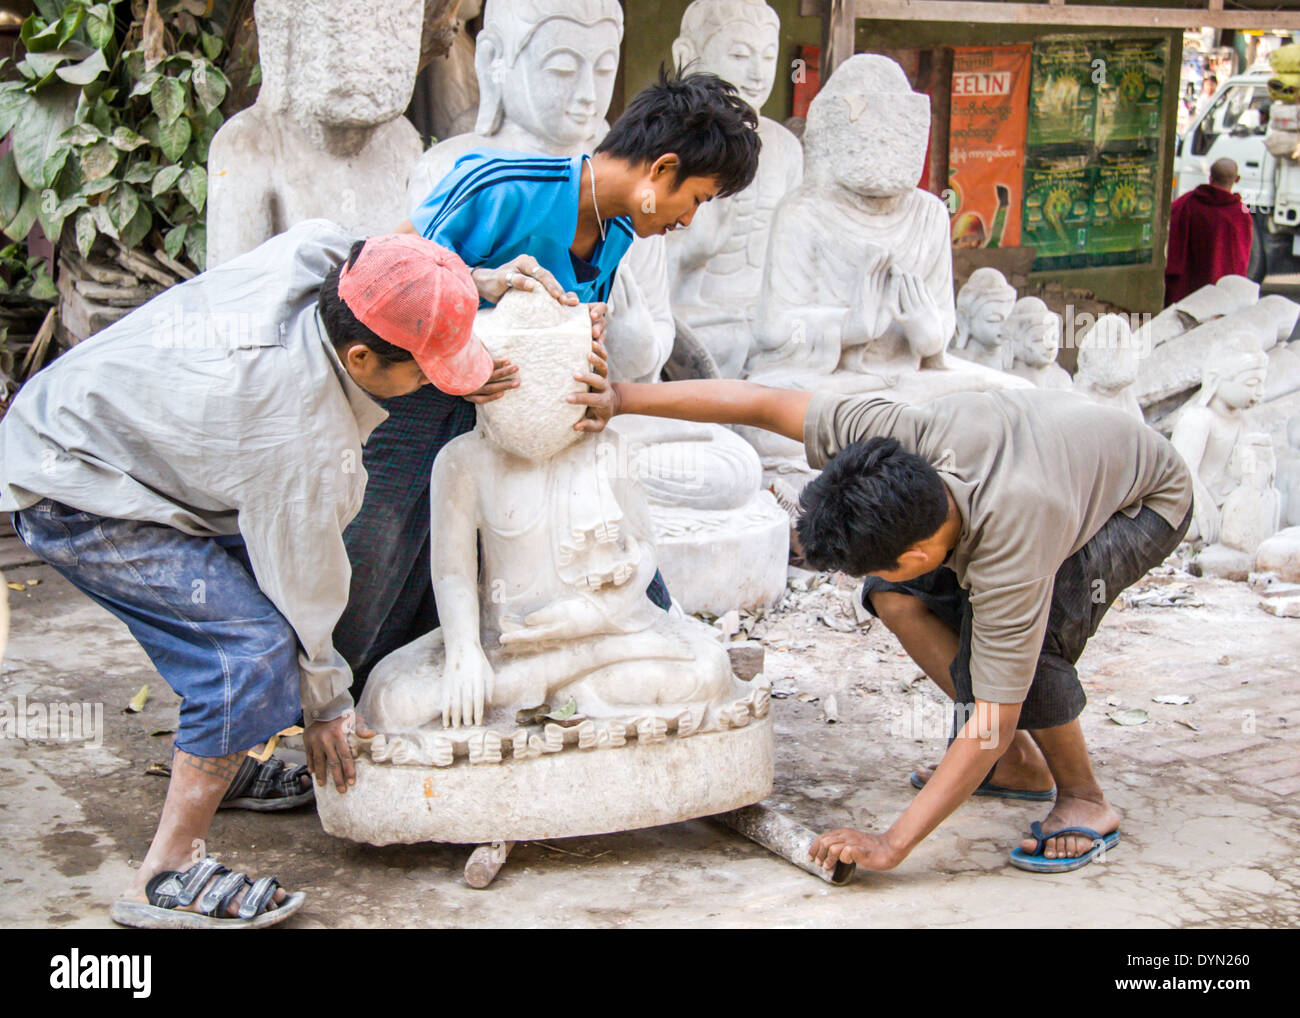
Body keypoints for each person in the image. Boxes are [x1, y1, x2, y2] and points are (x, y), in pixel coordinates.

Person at [0, 223, 562, 928]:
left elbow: (376, 256)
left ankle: (225, 764)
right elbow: (307, 589)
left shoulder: (327, 262)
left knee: (252, 625)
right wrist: (326, 703)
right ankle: (165, 872)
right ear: (360, 356)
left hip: (107, 425)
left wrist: (457, 290)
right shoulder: (298, 435)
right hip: (73, 487)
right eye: (422, 368)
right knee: (251, 650)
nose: (428, 382)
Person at [580, 377, 1193, 875]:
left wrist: (891, 844)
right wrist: (625, 398)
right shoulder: (897, 440)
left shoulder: (1014, 543)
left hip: (1142, 501)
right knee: (894, 598)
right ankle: (1016, 766)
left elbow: (993, 715)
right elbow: (763, 404)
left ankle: (1086, 797)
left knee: (1034, 653)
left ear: (922, 552)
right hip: (1050, 455)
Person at [332, 68, 761, 683]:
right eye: (695, 198)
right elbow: (381, 284)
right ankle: (324, 715)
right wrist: (461, 355)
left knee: (615, 559)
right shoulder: (500, 187)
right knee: (382, 551)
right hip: (422, 397)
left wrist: (593, 379)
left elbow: (579, 341)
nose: (688, 220)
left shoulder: (616, 236)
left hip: (525, 418)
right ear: (662, 170)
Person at [1165, 157, 1254, 305]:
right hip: (1220, 296)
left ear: (1210, 177)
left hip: (1186, 292)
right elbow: (1241, 259)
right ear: (1237, 179)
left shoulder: (1186, 202)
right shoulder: (1241, 212)